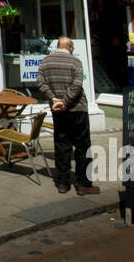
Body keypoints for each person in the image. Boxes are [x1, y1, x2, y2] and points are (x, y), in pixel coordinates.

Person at [36, 36, 97, 196]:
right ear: (70, 48)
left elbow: (40, 83)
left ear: (58, 46)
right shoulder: (75, 62)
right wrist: (65, 101)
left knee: (62, 145)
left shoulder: (45, 61)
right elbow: (77, 85)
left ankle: (62, 183)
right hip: (77, 109)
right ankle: (83, 183)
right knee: (83, 147)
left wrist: (54, 99)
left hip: (58, 110)